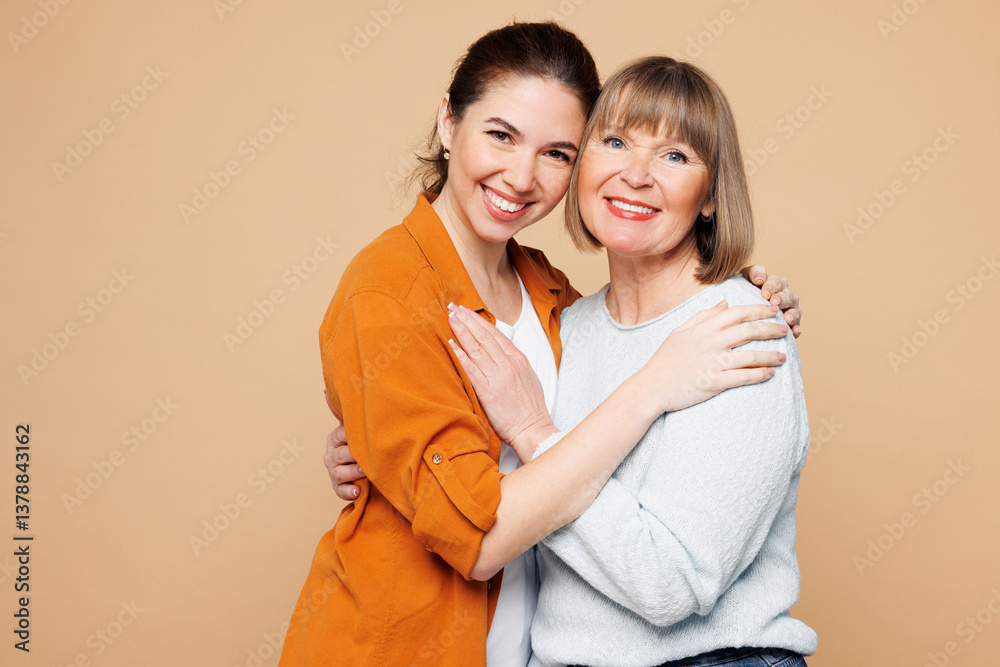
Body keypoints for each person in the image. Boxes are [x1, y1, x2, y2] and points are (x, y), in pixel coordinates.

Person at [282, 23, 801, 667]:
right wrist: (654, 386)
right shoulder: (386, 292)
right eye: (500, 135)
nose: (521, 176)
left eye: (557, 151)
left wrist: (739, 291)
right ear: (448, 122)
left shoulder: (551, 293)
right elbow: (475, 532)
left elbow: (585, 398)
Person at [439, 56, 817, 666]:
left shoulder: (737, 331)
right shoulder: (566, 323)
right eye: (614, 142)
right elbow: (509, 505)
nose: (635, 174)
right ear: (582, 164)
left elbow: (671, 584)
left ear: (713, 195)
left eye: (675, 156)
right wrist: (375, 452)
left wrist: (539, 434)